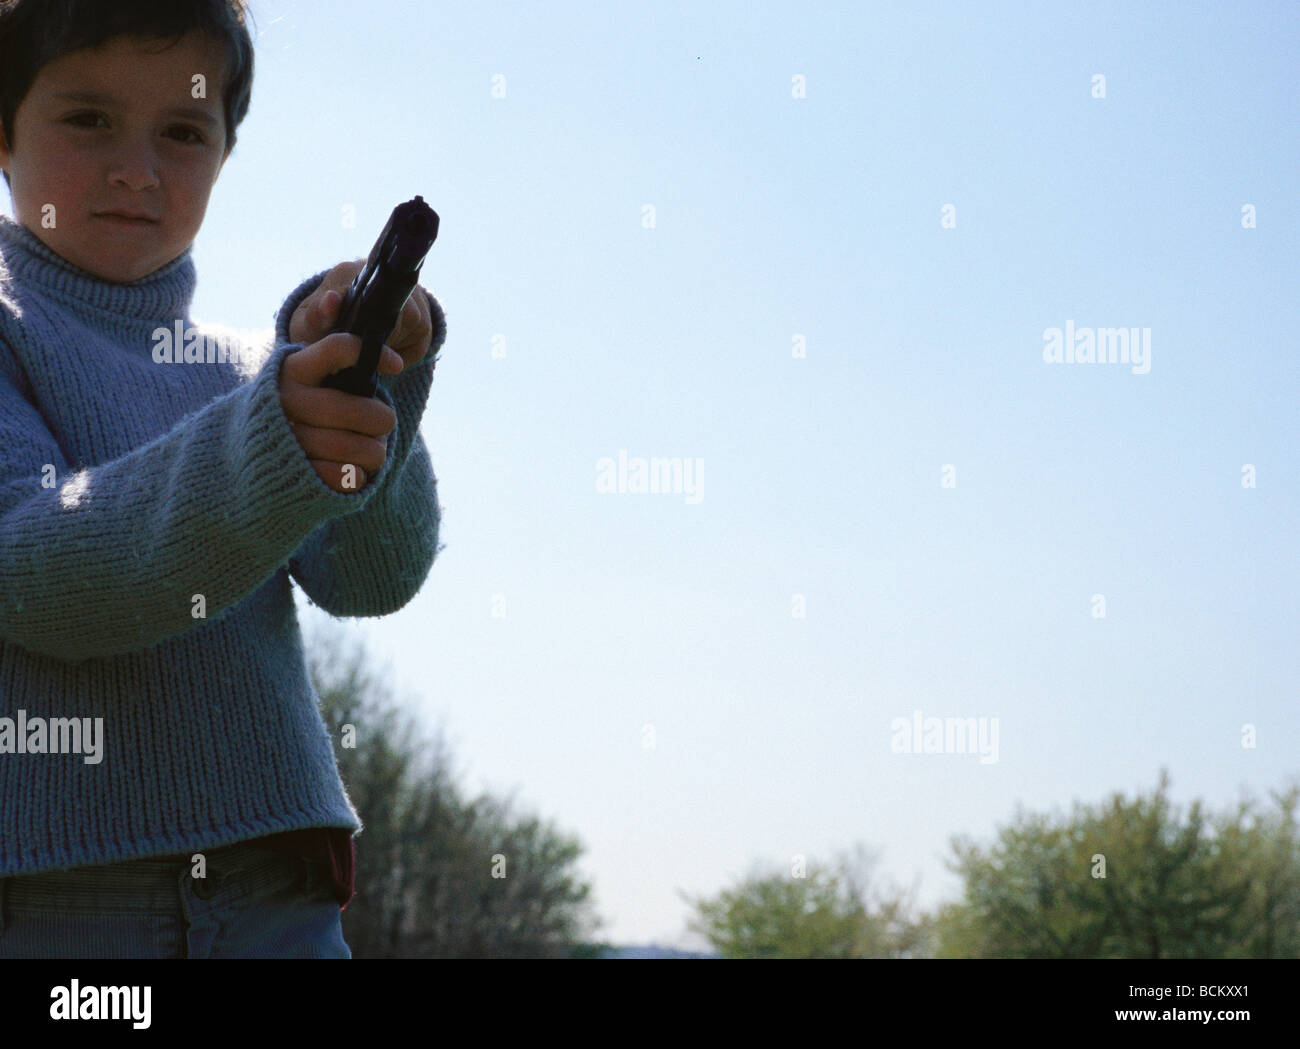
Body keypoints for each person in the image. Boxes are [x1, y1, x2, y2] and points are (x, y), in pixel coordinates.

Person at [0, 0, 446, 958]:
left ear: (226, 151)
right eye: (89, 119)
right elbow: (33, 569)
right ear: (3, 134)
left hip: (282, 892)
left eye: (184, 130)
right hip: (59, 900)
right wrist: (271, 436)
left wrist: (376, 408)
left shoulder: (253, 370)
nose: (138, 168)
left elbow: (371, 580)